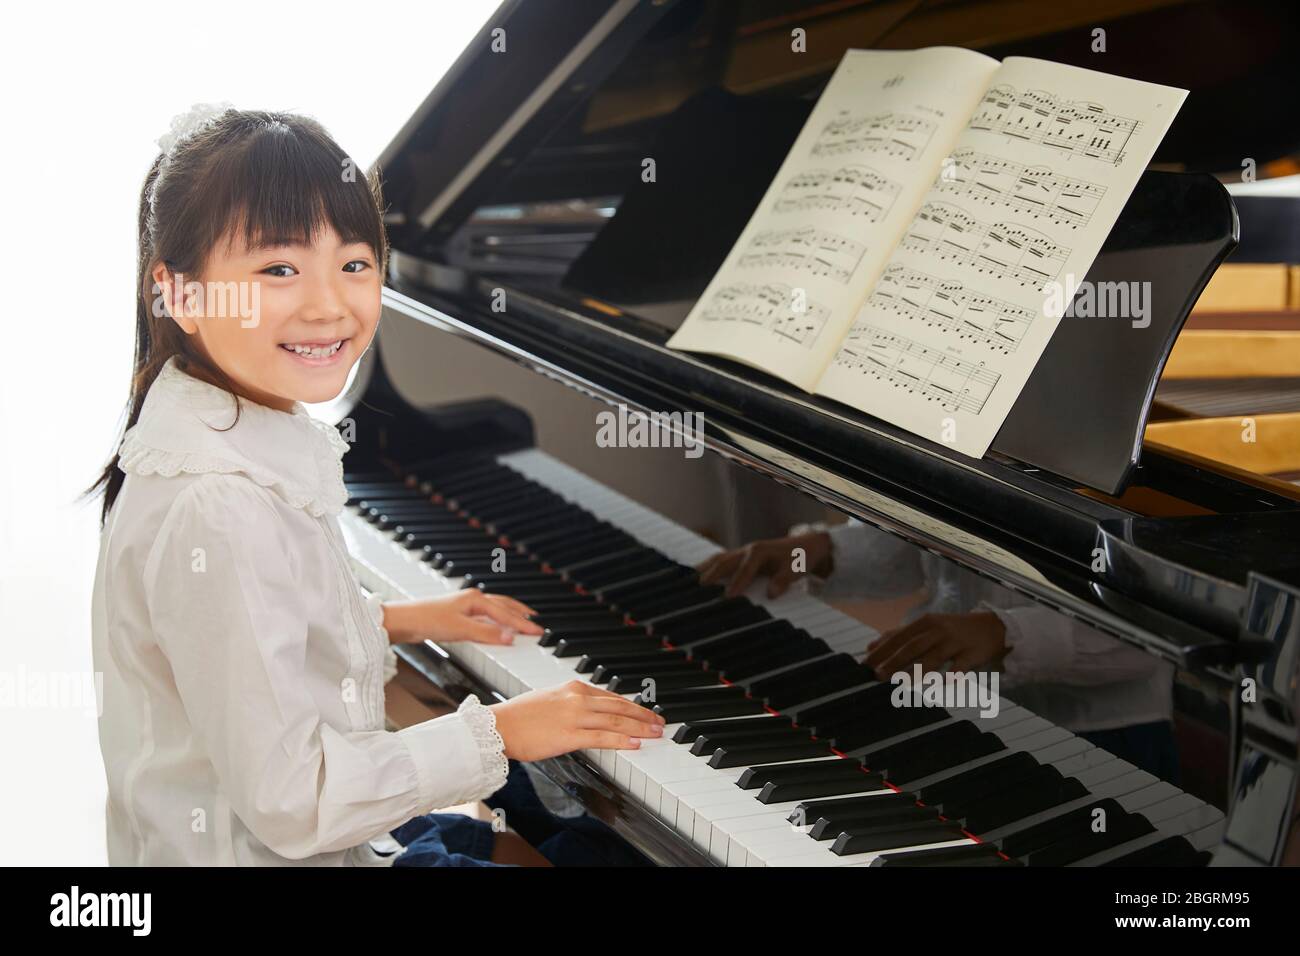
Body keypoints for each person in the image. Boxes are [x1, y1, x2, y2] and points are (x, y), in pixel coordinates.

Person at [84, 104, 664, 867]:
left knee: (564, 840)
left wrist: (400, 618)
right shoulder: (217, 508)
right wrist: (503, 731)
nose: (330, 305)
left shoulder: (211, 433)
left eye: (355, 264)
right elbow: (297, 804)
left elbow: (264, 627)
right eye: (279, 269)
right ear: (183, 294)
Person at [697, 517, 1181, 781]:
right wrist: (820, 550)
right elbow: (918, 541)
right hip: (948, 701)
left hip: (1096, 739)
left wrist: (1004, 633)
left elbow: (1158, 638)